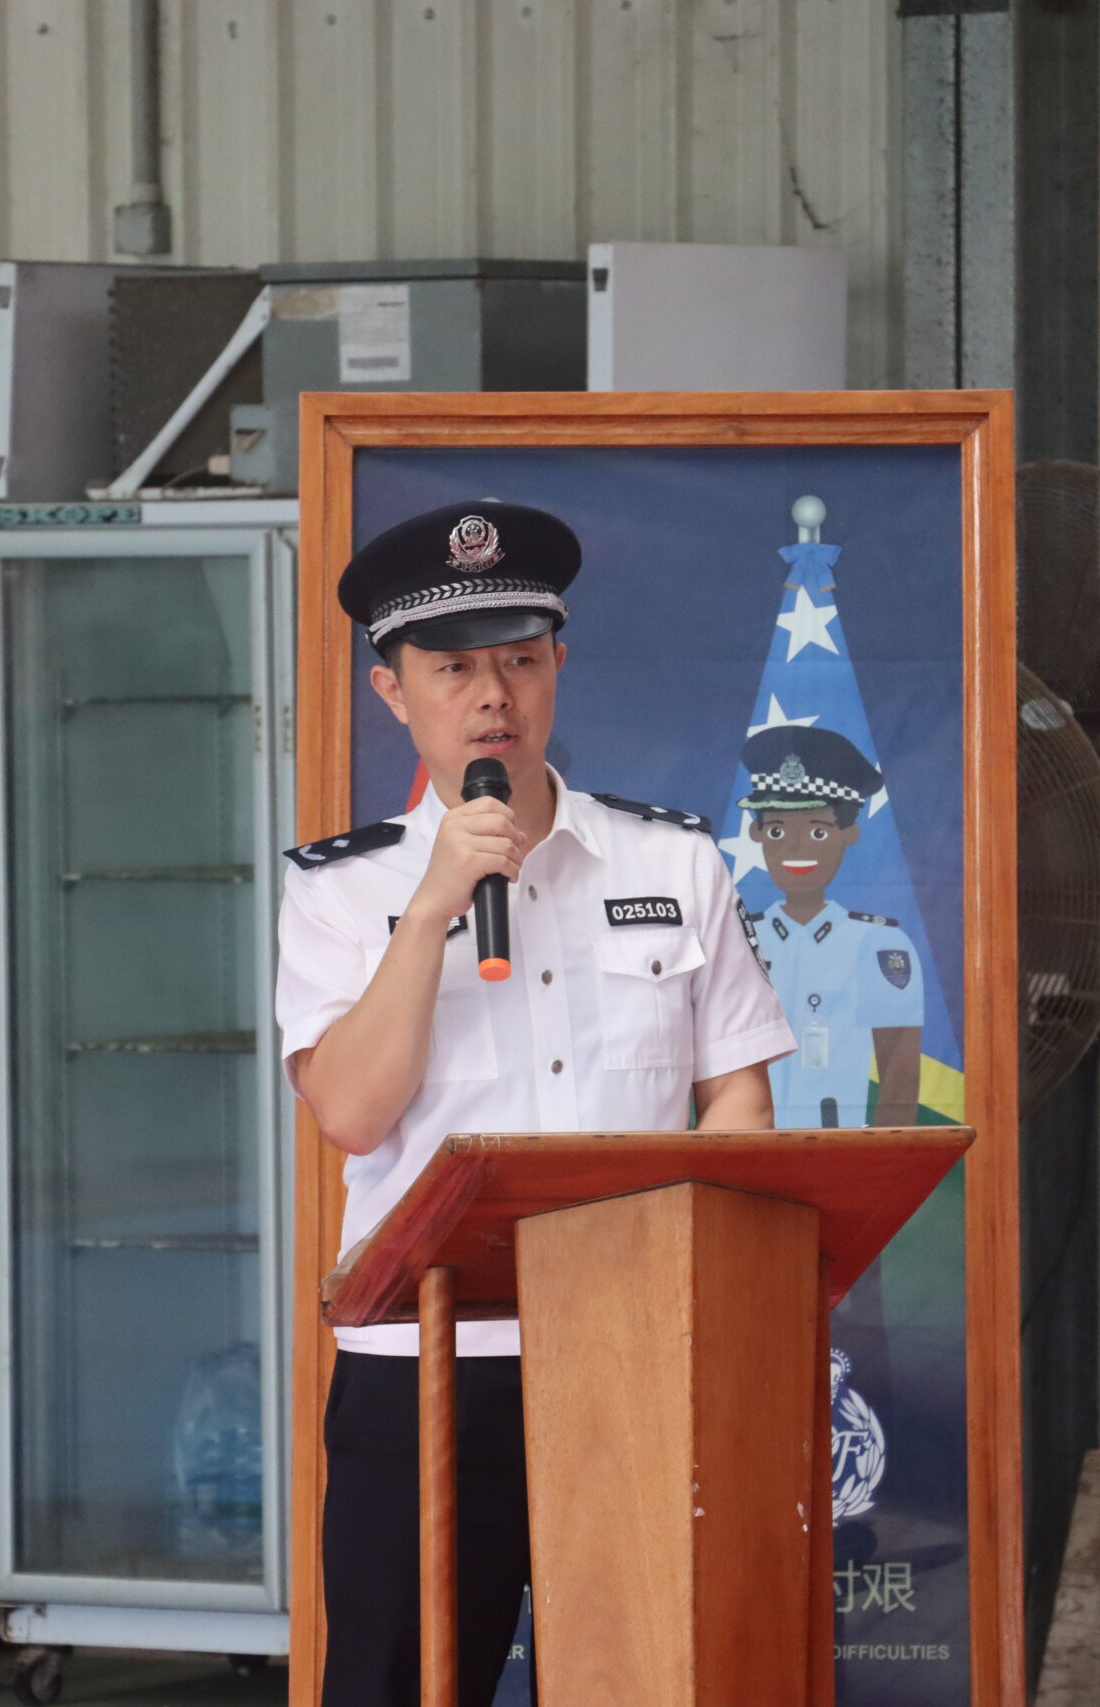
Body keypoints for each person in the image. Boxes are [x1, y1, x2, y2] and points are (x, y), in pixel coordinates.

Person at [275, 500, 798, 1707]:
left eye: (517, 660)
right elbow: (350, 1114)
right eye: (452, 668)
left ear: (556, 664)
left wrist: (698, 1304)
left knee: (651, 1676)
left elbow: (738, 1097)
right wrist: (432, 911)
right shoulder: (340, 893)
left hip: (634, 1357)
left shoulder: (671, 864)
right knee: (396, 1684)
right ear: (392, 692)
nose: (491, 696)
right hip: (421, 1367)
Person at [736, 724, 923, 1129]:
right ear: (757, 834)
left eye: (818, 831)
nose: (796, 847)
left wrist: (882, 1176)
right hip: (745, 1154)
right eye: (777, 830)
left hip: (840, 1155)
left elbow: (900, 1078)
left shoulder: (878, 944)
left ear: (849, 833)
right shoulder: (736, 940)